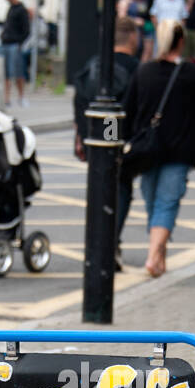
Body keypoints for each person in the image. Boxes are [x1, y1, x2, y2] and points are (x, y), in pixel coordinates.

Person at [121, 19, 195, 277]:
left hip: (147, 151)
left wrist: (122, 142)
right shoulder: (191, 73)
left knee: (156, 203)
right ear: (181, 41)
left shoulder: (143, 72)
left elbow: (127, 112)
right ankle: (157, 259)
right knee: (163, 204)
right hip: (180, 150)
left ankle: (153, 257)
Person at [73, 16, 142, 267]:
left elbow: (80, 100)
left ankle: (100, 243)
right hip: (121, 141)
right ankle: (109, 243)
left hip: (94, 138)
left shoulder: (94, 65)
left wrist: (81, 135)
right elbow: (137, 107)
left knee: (98, 188)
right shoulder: (136, 68)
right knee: (121, 189)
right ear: (132, 37)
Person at [0, 0, 31, 108]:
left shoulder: (21, 10)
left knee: (17, 72)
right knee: (7, 73)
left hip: (14, 45)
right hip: (6, 43)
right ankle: (7, 98)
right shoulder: (11, 8)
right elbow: (6, 24)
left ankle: (21, 97)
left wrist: (19, 43)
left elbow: (26, 30)